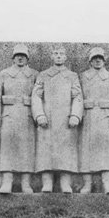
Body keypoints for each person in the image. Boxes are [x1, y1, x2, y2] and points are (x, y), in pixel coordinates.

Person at [0, 44, 39, 194]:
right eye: (17, 55)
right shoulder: (4, 74)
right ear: (13, 58)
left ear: (27, 58)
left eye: (23, 56)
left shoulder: (34, 74)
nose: (20, 58)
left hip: (27, 115)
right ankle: (7, 181)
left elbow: (39, 96)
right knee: (7, 148)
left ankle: (26, 183)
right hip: (8, 115)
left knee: (27, 148)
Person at [32, 47, 83, 193]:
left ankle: (65, 184)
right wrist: (39, 114)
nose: (59, 56)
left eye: (61, 54)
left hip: (66, 120)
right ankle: (47, 183)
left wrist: (75, 115)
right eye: (56, 54)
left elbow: (78, 96)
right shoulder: (43, 75)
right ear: (51, 56)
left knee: (66, 151)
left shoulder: (72, 76)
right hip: (47, 120)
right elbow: (36, 96)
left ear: (66, 57)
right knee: (45, 151)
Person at [78, 47, 109, 194]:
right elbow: (78, 98)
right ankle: (87, 184)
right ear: (90, 61)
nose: (98, 60)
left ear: (104, 61)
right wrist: (77, 116)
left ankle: (107, 183)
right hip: (88, 118)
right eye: (94, 58)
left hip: (106, 118)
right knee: (86, 150)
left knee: (107, 150)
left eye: (100, 58)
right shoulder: (83, 77)